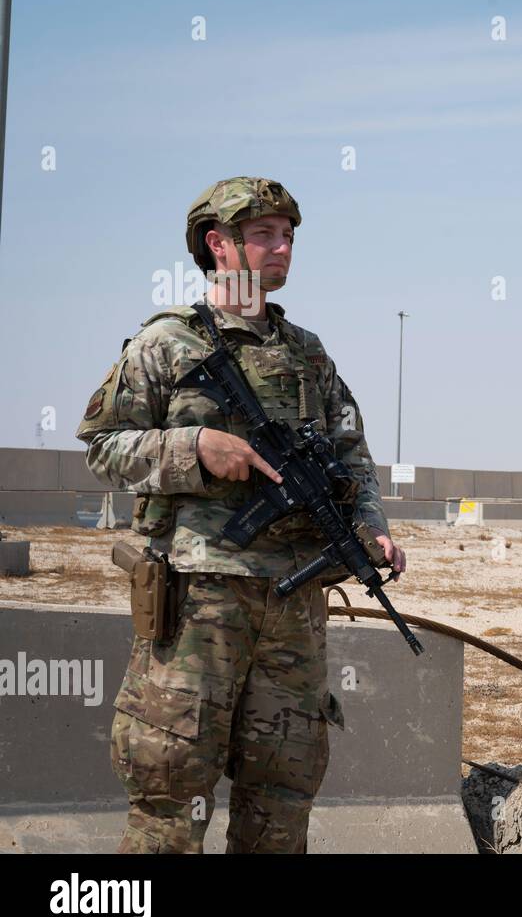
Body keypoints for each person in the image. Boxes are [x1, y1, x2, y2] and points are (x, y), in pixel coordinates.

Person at [75, 176, 405, 853]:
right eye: (264, 234)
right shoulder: (165, 344)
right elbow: (105, 447)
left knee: (283, 794)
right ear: (217, 244)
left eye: (288, 236)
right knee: (170, 790)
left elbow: (354, 458)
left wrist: (372, 526)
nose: (281, 247)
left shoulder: (309, 356)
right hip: (200, 600)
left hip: (294, 605)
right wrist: (194, 447)